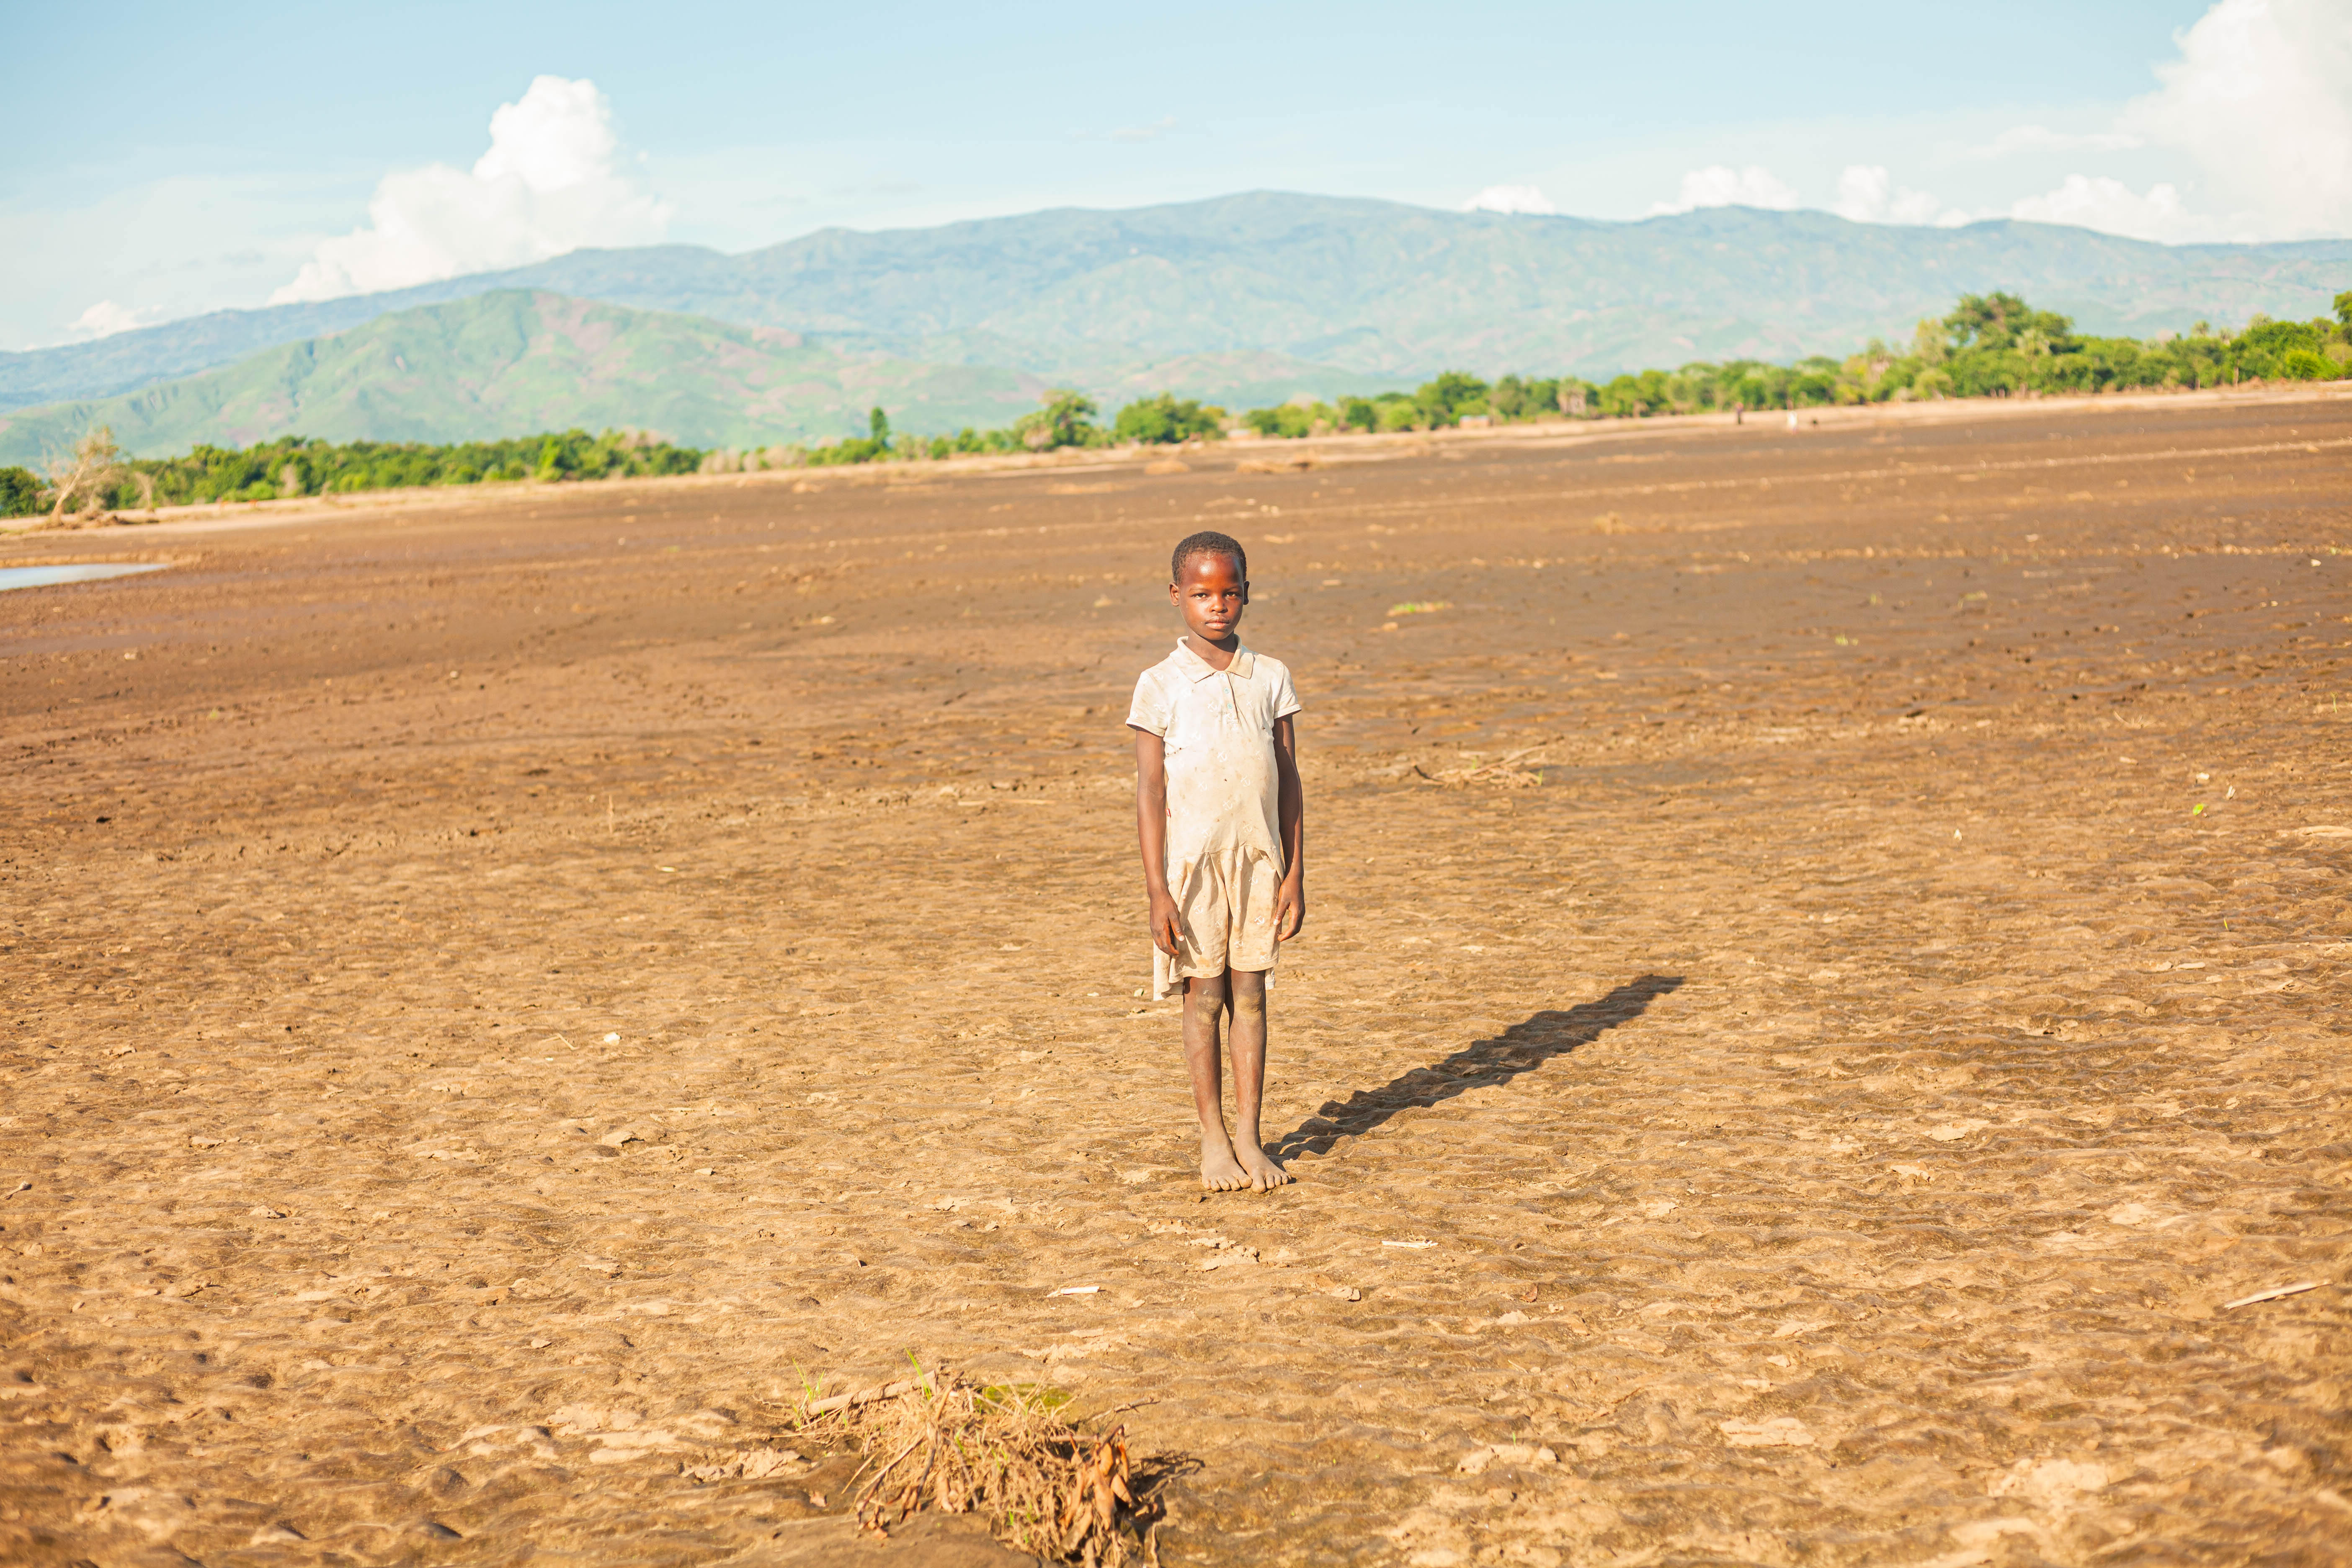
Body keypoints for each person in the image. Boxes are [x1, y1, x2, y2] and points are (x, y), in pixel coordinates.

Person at [1127, 531, 1305, 1192]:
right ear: (1177, 597)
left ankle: (1253, 1139)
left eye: (1230, 592)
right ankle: (1213, 1140)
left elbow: (1289, 780)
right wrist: (1157, 891)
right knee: (1204, 999)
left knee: (1252, 997)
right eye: (1202, 594)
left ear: (1248, 595)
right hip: (1192, 872)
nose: (1217, 605)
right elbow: (1150, 791)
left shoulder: (1272, 677)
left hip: (1260, 863)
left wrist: (1295, 873)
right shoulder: (1159, 685)